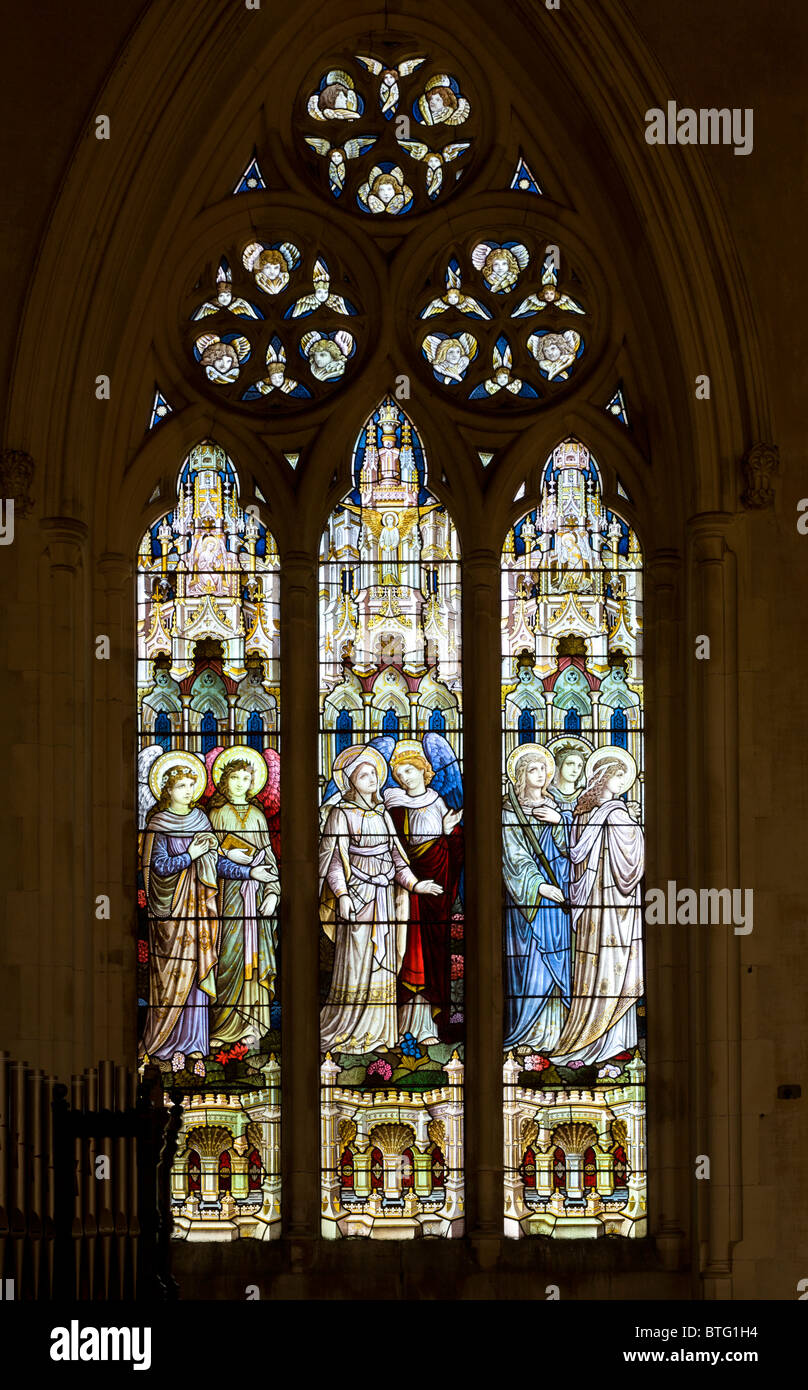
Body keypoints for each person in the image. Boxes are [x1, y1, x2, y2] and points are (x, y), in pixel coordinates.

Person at [139, 752, 276, 1076]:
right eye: (181, 786)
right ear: (166, 791)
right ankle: (165, 1045)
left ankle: (195, 1046)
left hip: (201, 913)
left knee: (201, 975)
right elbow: (158, 868)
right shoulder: (158, 825)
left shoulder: (201, 820)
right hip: (172, 917)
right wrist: (190, 854)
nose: (188, 791)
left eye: (191, 785)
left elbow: (217, 863)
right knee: (172, 981)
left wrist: (252, 875)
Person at [319, 745, 443, 1054]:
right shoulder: (340, 813)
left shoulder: (381, 814)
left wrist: (416, 886)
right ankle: (351, 1029)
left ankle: (381, 1035)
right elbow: (334, 861)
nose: (371, 778)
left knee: (385, 964)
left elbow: (397, 860)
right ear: (350, 781)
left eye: (374, 773)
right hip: (358, 898)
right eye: (363, 775)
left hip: (385, 898)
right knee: (358, 963)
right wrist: (342, 895)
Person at [553, 748, 644, 1068]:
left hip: (606, 905)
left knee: (608, 968)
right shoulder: (612, 814)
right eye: (618, 775)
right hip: (606, 906)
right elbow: (630, 862)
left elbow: (578, 854)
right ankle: (607, 1040)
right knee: (606, 967)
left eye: (624, 776)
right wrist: (631, 823)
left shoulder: (586, 814)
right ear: (604, 777)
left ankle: (616, 1040)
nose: (622, 782)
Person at [383, 740, 463, 1043]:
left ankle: (436, 1021)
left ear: (423, 770)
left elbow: (456, 847)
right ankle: (409, 1023)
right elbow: (395, 850)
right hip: (411, 885)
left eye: (409, 771)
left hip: (440, 881)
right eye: (400, 774)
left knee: (438, 948)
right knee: (410, 949)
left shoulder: (437, 800)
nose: (405, 778)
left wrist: (448, 831)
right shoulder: (395, 806)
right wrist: (413, 881)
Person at [208, 747, 280, 1052]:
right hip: (226, 899)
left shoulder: (257, 816)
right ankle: (224, 1027)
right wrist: (229, 857)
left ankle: (253, 1026)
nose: (240, 782)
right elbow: (208, 860)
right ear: (224, 780)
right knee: (228, 960)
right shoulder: (216, 814)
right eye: (235, 777)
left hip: (257, 899)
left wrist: (275, 893)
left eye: (246, 777)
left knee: (257, 959)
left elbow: (270, 857)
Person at [502, 744, 571, 1052]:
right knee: (532, 960)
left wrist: (559, 822)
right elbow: (514, 857)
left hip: (558, 898)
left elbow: (568, 850)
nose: (540, 774)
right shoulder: (509, 810)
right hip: (528, 901)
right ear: (520, 774)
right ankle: (530, 1032)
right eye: (532, 769)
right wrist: (540, 887)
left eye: (544, 768)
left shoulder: (554, 804)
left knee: (559, 956)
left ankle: (558, 1033)